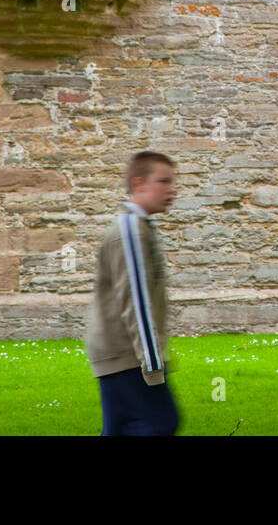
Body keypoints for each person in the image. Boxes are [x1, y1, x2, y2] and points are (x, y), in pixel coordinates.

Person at [85, 151, 179, 435]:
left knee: (124, 429)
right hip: (127, 356)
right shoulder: (130, 231)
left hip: (120, 354)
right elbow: (136, 302)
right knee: (160, 423)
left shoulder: (139, 227)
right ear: (139, 184)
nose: (171, 189)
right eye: (163, 181)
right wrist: (152, 365)